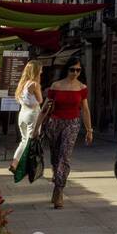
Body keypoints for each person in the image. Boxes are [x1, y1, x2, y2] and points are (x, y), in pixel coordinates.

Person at [45, 60, 93, 209]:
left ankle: (59, 190)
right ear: (67, 69)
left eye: (78, 70)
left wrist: (89, 130)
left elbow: (85, 109)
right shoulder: (56, 86)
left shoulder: (81, 87)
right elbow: (45, 107)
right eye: (72, 70)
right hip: (55, 123)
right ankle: (56, 181)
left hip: (72, 123)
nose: (75, 73)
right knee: (55, 157)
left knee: (65, 156)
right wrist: (37, 127)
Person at [10, 61, 44, 172]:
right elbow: (40, 100)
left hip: (22, 114)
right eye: (40, 69)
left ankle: (14, 164)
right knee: (32, 141)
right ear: (36, 71)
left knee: (24, 140)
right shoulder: (35, 84)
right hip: (32, 115)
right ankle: (28, 167)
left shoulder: (22, 84)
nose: (42, 71)